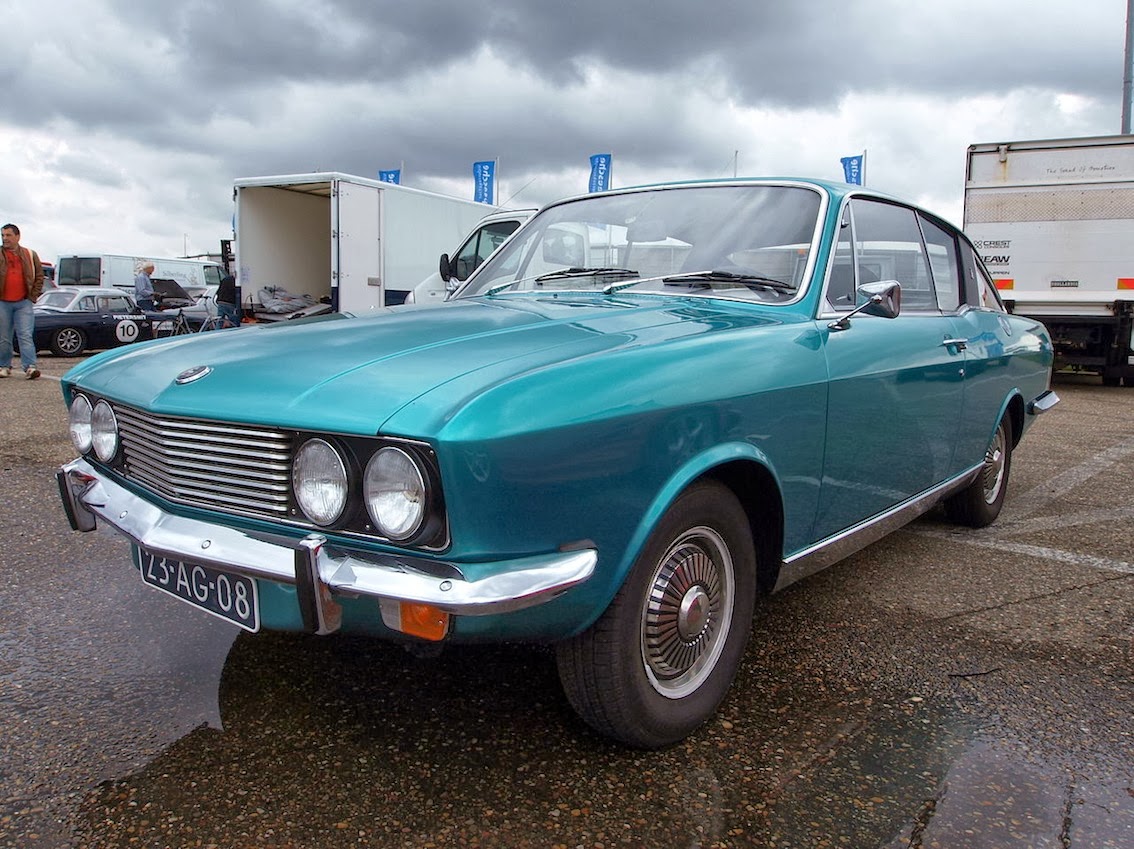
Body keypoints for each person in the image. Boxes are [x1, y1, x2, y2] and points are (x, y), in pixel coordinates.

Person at [0, 223, 45, 379]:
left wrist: (33, 296)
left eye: (8, 235)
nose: (5, 239)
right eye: (3, 235)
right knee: (4, 337)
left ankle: (30, 367)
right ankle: (4, 366)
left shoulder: (29, 254)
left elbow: (40, 276)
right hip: (2, 302)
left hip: (23, 302)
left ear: (17, 236)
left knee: (25, 335)